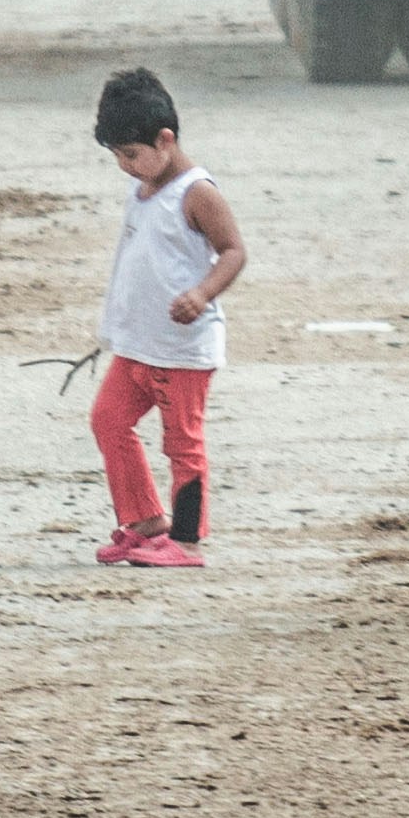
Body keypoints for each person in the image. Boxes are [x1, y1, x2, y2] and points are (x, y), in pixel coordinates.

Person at [85, 66, 243, 567]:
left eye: (131, 154)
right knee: (109, 421)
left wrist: (203, 292)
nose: (124, 166)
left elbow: (233, 251)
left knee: (182, 444)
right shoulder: (145, 187)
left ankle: (188, 540)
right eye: (116, 156)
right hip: (137, 345)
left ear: (165, 139)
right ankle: (147, 521)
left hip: (182, 352)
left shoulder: (198, 193)